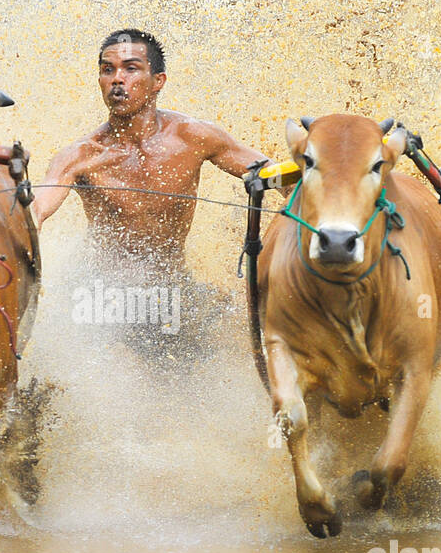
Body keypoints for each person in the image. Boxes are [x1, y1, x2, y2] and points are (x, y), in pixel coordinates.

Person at [32, 29, 267, 358]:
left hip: (170, 293)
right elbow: (36, 209)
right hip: (101, 300)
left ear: (158, 81)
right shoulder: (82, 156)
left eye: (130, 69)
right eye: (107, 69)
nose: (117, 80)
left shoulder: (192, 137)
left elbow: (271, 175)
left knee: (234, 333)